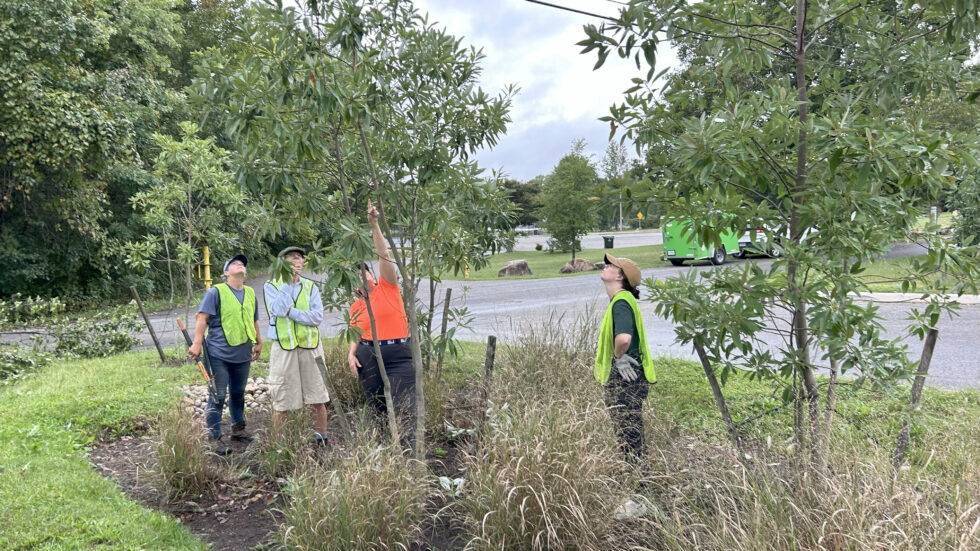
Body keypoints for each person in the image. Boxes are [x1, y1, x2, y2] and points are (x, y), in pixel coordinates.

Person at [347, 200, 415, 448]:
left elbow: (383, 256)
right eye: (355, 276)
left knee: (406, 405)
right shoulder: (356, 306)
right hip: (369, 356)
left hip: (397, 355)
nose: (361, 277)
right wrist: (351, 355)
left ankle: (408, 452)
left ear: (373, 275)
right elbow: (356, 333)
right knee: (377, 408)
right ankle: (385, 451)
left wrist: (374, 226)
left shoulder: (388, 288)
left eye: (364, 271)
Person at [595, 253, 656, 519]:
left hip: (626, 379)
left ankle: (638, 500)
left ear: (620, 276)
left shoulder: (620, 302)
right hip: (630, 378)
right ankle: (636, 492)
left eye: (611, 265)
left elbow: (623, 338)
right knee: (630, 435)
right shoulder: (622, 300)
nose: (605, 267)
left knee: (629, 436)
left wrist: (618, 358)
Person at [189, 254, 262, 455]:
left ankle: (239, 430)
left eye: (242, 264)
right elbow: (202, 318)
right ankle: (214, 438)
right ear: (226, 272)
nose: (240, 265)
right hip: (217, 354)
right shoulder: (216, 292)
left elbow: (254, 319)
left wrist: (259, 341)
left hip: (242, 353)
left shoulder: (250, 293)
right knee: (217, 395)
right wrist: (196, 344)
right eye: (235, 263)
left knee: (238, 393)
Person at [263, 246, 330, 446]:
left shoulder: (310, 287)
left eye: (300, 258)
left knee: (318, 396)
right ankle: (281, 446)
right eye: (292, 258)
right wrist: (287, 283)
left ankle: (322, 440)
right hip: (284, 348)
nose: (297, 262)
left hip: (310, 347)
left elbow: (316, 317)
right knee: (282, 400)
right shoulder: (272, 285)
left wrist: (291, 312)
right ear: (282, 262)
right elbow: (276, 309)